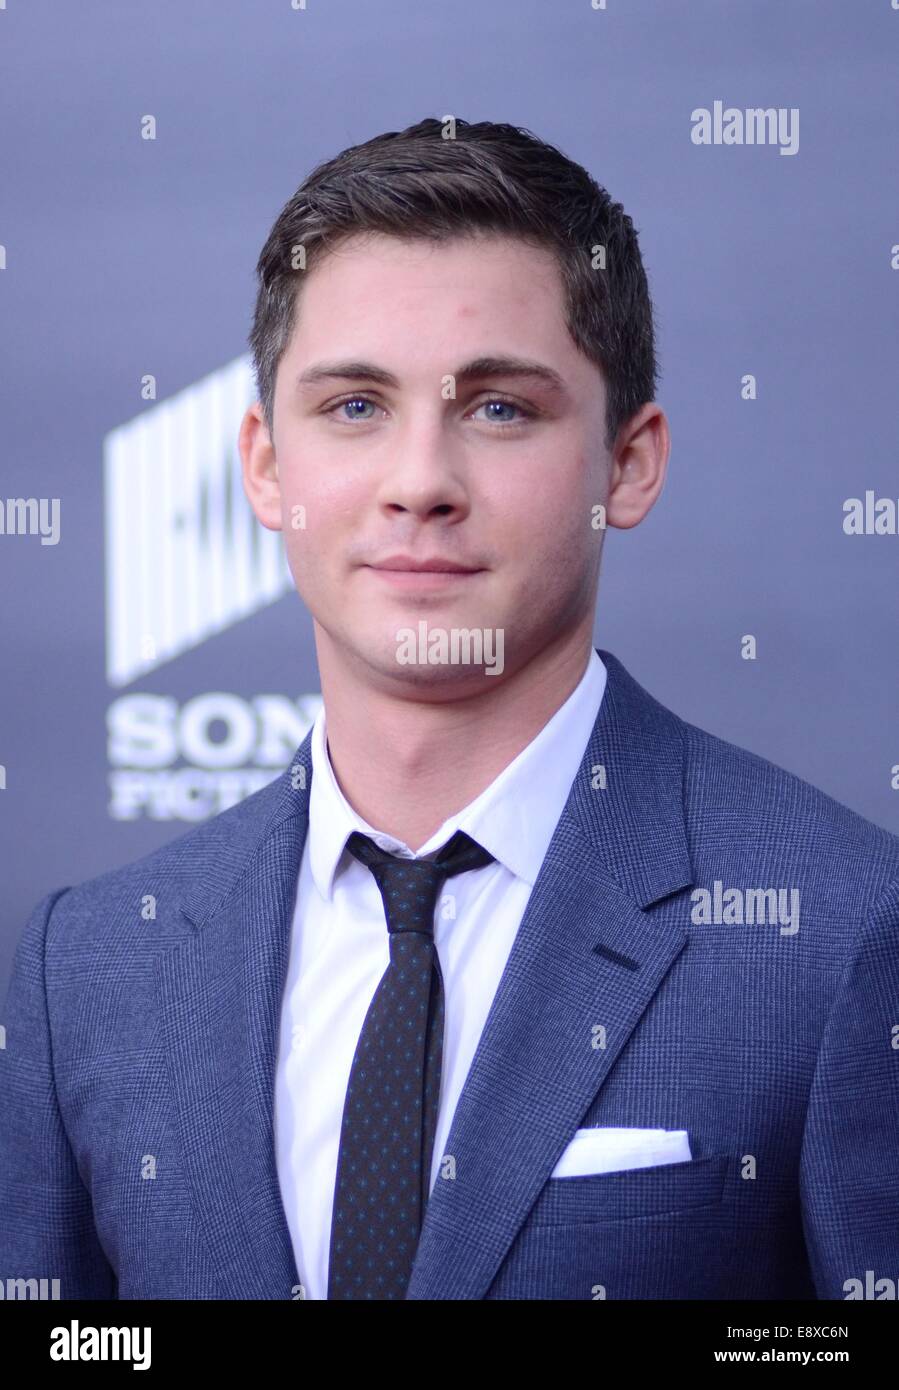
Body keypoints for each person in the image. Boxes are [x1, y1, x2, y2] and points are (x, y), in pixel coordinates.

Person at [2, 117, 897, 1301]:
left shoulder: (839, 932)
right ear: (264, 465)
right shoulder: (88, 965)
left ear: (626, 463)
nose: (419, 481)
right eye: (354, 406)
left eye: (498, 409)